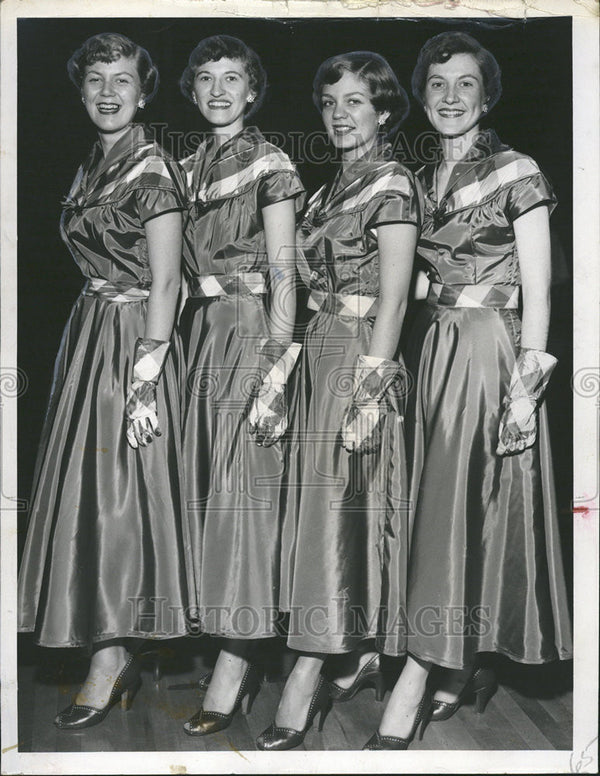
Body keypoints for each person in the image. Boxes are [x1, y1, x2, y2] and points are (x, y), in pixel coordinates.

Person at [364, 31, 573, 750]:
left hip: (489, 352)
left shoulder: (517, 169)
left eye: (466, 84)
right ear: (420, 96)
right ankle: (460, 660)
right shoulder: (421, 179)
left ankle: (418, 677)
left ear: (488, 97)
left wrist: (526, 389)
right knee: (441, 510)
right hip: (435, 349)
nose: (451, 97)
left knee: (460, 505)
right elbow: (423, 282)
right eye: (438, 84)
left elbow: (539, 291)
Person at [17, 33, 193, 729]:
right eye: (96, 80)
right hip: (90, 330)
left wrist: (145, 373)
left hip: (133, 338)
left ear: (144, 93)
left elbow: (168, 280)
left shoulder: (152, 167)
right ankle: (104, 639)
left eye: (123, 80)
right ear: (82, 91)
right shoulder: (93, 163)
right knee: (89, 490)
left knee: (121, 492)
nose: (108, 92)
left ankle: (114, 651)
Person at [256, 51, 421, 751]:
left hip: (358, 357)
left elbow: (396, 298)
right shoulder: (328, 189)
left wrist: (370, 391)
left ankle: (307, 671)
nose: (339, 115)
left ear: (384, 111)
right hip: (319, 352)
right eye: (329, 103)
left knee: (339, 511)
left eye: (355, 101)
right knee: (324, 514)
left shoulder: (394, 182)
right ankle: (354, 650)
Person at [177, 35, 305, 736]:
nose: (219, 90)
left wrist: (276, 372)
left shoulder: (272, 163)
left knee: (244, 498)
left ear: (253, 90)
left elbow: (285, 274)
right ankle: (221, 634)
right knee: (207, 497)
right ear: (192, 91)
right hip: (199, 335)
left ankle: (238, 657)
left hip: (252, 330)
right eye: (206, 78)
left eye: (233, 78)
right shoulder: (184, 167)